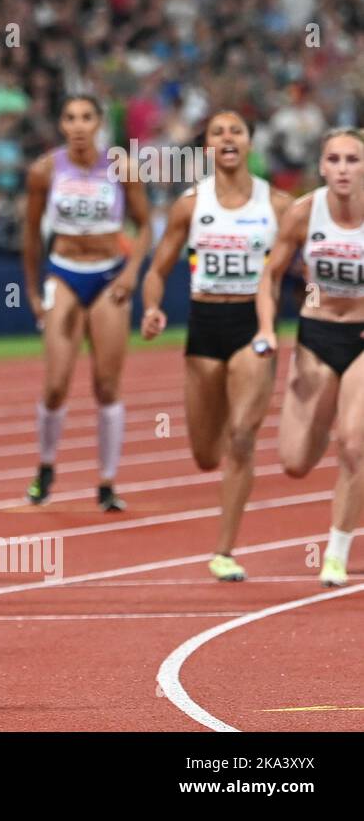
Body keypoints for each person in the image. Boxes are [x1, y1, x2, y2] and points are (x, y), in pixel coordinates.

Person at [141, 111, 291, 581]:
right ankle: (227, 426)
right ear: (207, 146)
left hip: (254, 322)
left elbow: (313, 261)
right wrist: (151, 308)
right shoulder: (191, 205)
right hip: (205, 326)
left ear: (250, 142)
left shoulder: (280, 205)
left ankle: (224, 550)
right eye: (218, 133)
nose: (228, 138)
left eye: (237, 131)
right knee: (206, 454)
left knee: (243, 439)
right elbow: (158, 269)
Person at [21, 95, 152, 511]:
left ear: (99, 123)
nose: (78, 126)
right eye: (70, 118)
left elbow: (146, 224)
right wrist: (31, 289)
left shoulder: (120, 167)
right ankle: (45, 466)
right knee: (56, 384)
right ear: (61, 125)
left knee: (107, 384)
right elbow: (28, 235)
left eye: (86, 118)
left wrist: (132, 273)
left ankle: (107, 482)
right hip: (63, 272)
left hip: (109, 273)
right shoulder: (44, 170)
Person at [254, 127, 364, 587]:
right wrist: (265, 328)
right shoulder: (304, 212)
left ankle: (336, 551)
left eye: (353, 160)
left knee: (355, 445)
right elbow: (269, 274)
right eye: (334, 160)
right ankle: (325, 420)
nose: (343, 169)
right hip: (315, 334)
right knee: (295, 462)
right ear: (321, 166)